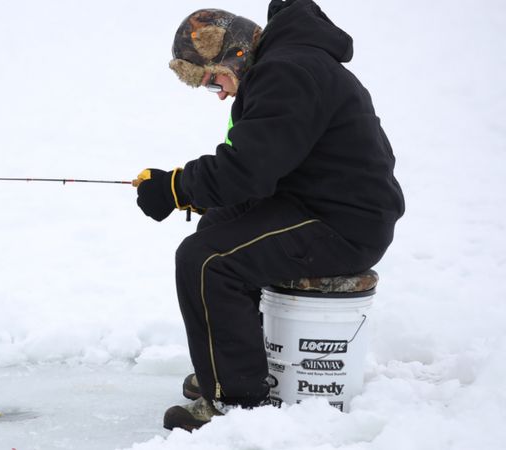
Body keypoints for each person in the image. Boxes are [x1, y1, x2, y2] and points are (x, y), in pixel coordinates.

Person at [134, 0, 405, 431]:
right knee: (218, 226)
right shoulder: (287, 63)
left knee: (206, 260)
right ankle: (227, 367)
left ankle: (239, 404)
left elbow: (249, 169)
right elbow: (257, 166)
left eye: (213, 81)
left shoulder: (287, 72)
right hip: (318, 202)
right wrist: (185, 191)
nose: (220, 93)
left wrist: (176, 187)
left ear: (234, 53)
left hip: (343, 223)